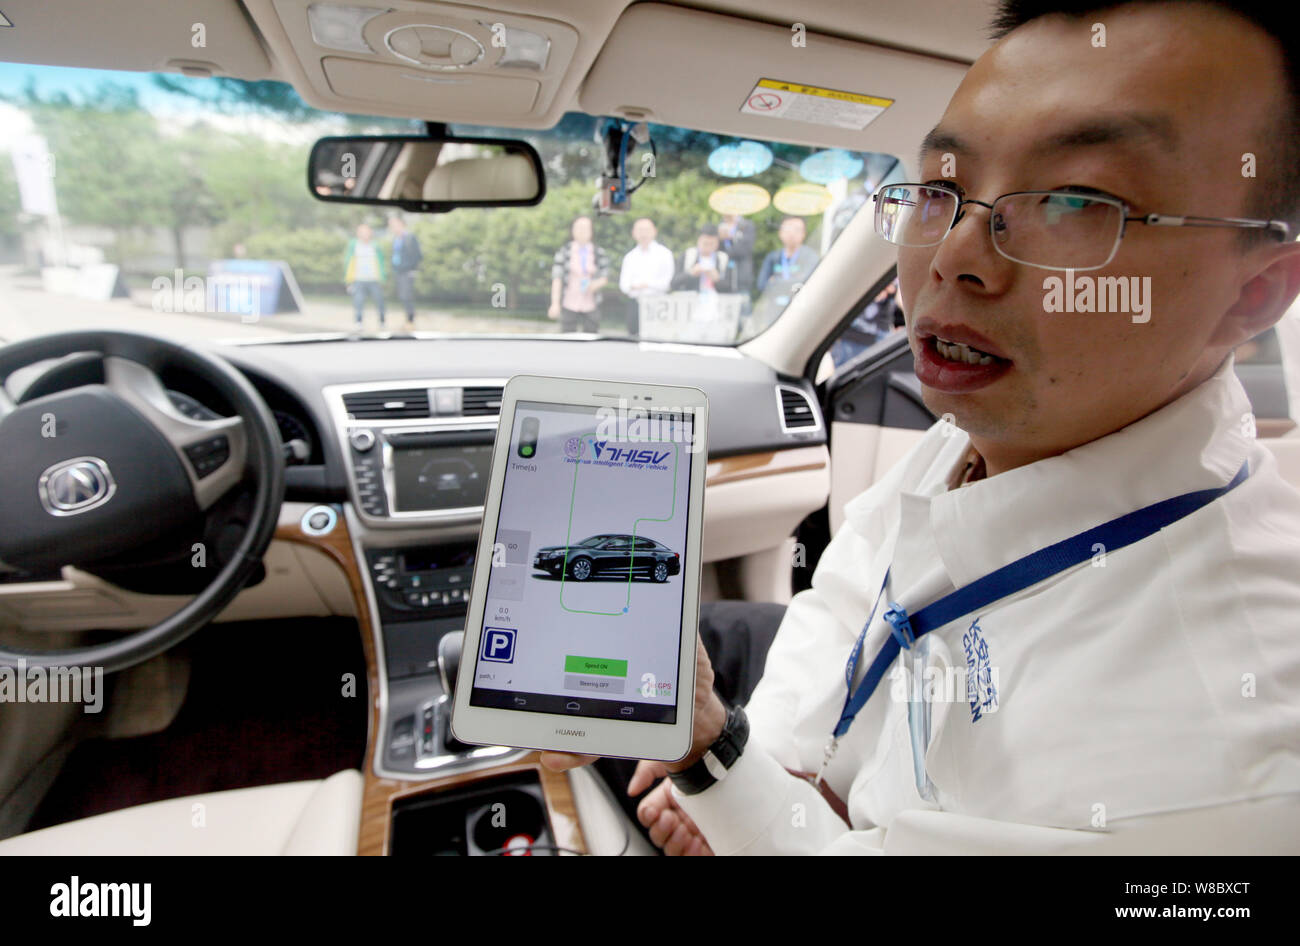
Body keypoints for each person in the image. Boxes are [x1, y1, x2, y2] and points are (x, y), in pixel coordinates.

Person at [547, 0, 1300, 855]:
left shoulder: (1215, 773)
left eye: (1075, 199)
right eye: (942, 189)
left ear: (1255, 294)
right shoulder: (998, 421)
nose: (952, 257)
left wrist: (714, 757)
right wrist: (777, 762)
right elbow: (846, 596)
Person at [753, 216, 820, 332]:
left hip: (800, 313)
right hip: (773, 313)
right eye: (788, 229)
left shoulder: (810, 257)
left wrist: (775, 282)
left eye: (796, 230)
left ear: (804, 234)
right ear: (780, 233)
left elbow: (807, 284)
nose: (792, 234)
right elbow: (761, 284)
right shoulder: (773, 257)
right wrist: (794, 280)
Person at [548, 216, 610, 333]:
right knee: (567, 339)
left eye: (585, 228)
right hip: (569, 302)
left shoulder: (599, 252)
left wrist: (596, 284)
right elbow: (557, 278)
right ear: (573, 230)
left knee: (591, 337)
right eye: (579, 228)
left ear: (591, 231)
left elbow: (605, 276)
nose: (582, 231)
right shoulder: (564, 251)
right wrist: (555, 303)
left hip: (591, 303)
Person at [618, 217, 675, 336]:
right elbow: (624, 285)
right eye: (639, 230)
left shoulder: (664, 254)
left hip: (658, 305)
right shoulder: (630, 257)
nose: (643, 234)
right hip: (635, 305)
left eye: (646, 230)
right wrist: (634, 287)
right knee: (633, 339)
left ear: (654, 231)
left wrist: (647, 285)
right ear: (633, 233)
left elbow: (668, 283)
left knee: (658, 338)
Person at [343, 223, 387, 329]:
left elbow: (381, 262)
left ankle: (382, 321)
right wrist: (348, 281)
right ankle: (359, 322)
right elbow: (348, 262)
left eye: (366, 232)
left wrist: (382, 278)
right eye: (362, 232)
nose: (364, 235)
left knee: (379, 300)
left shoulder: (375, 245)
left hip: (374, 279)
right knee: (358, 301)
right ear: (358, 234)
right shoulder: (353, 245)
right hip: (358, 279)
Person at [671, 224, 732, 293]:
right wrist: (691, 273)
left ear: (717, 243)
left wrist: (717, 280)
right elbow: (673, 284)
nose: (708, 248)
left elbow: (730, 287)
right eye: (705, 243)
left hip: (716, 300)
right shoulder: (688, 255)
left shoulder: (723, 259)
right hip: (691, 300)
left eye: (712, 244)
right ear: (699, 241)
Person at [387, 215, 422, 327]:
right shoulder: (396, 239)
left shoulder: (409, 237)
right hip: (398, 271)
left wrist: (412, 268)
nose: (393, 228)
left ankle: (410, 320)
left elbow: (417, 255)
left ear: (402, 224)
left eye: (395, 225)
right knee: (403, 296)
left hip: (407, 271)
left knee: (407, 296)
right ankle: (408, 319)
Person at [718, 213, 757, 293]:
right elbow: (716, 252)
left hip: (742, 276)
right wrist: (720, 239)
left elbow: (744, 250)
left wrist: (731, 237)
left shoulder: (746, 225)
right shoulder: (720, 227)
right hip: (723, 279)